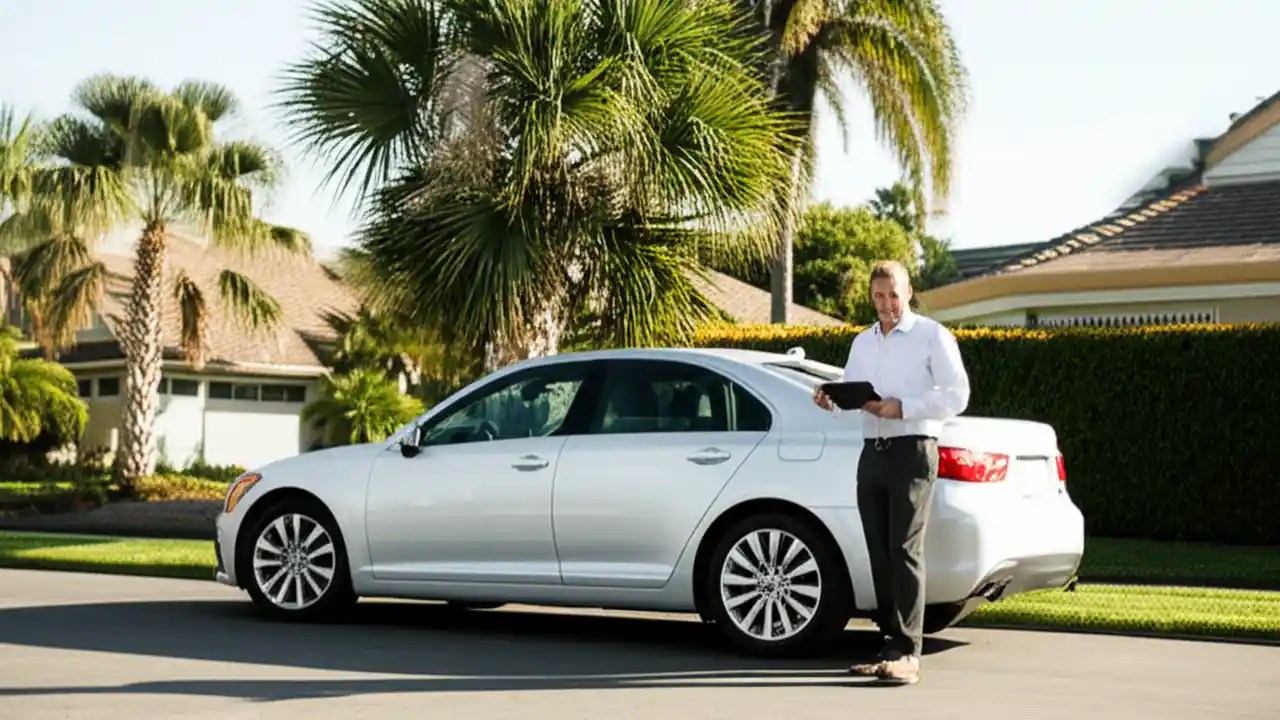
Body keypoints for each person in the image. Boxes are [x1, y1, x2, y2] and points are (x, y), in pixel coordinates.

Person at [813, 260, 970, 686]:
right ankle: (890, 645)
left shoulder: (931, 335)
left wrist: (905, 407)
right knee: (879, 551)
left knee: (904, 548)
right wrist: (834, 401)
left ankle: (908, 652)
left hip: (913, 451)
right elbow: (857, 401)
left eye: (894, 295)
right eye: (879, 296)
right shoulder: (862, 342)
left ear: (909, 291)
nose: (887, 305)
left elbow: (958, 395)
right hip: (873, 451)